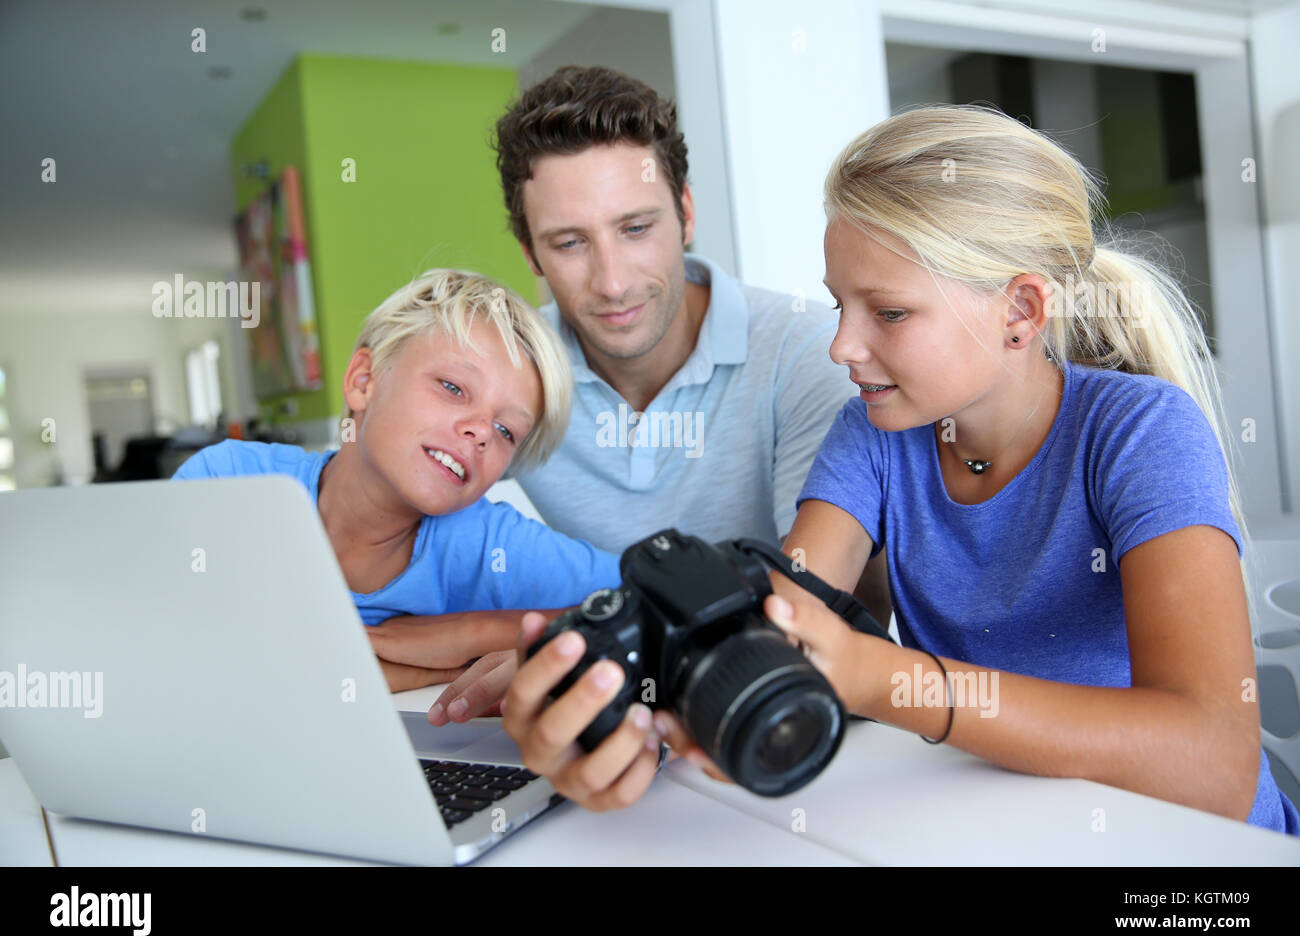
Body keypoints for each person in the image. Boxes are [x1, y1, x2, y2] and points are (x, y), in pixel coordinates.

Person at [501, 104, 1300, 836]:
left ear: (1020, 311)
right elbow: (786, 616)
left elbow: (1214, 765)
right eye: (839, 305)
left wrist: (891, 680)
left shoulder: (1139, 431)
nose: (842, 346)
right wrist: (626, 703)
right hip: (1010, 825)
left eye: (887, 313)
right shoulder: (877, 434)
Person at [426, 65, 877, 725]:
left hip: (768, 717)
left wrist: (575, 647)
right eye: (570, 242)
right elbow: (396, 537)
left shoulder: (805, 351)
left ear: (686, 213)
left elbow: (816, 616)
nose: (611, 283)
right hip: (611, 721)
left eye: (635, 229)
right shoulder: (512, 372)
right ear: (529, 252)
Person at [173, 268, 622, 691]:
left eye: (507, 431)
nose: (482, 431)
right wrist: (408, 670)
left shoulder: (489, 542)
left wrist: (472, 633)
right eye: (452, 387)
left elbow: (669, 603)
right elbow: (166, 646)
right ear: (364, 381)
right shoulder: (230, 483)